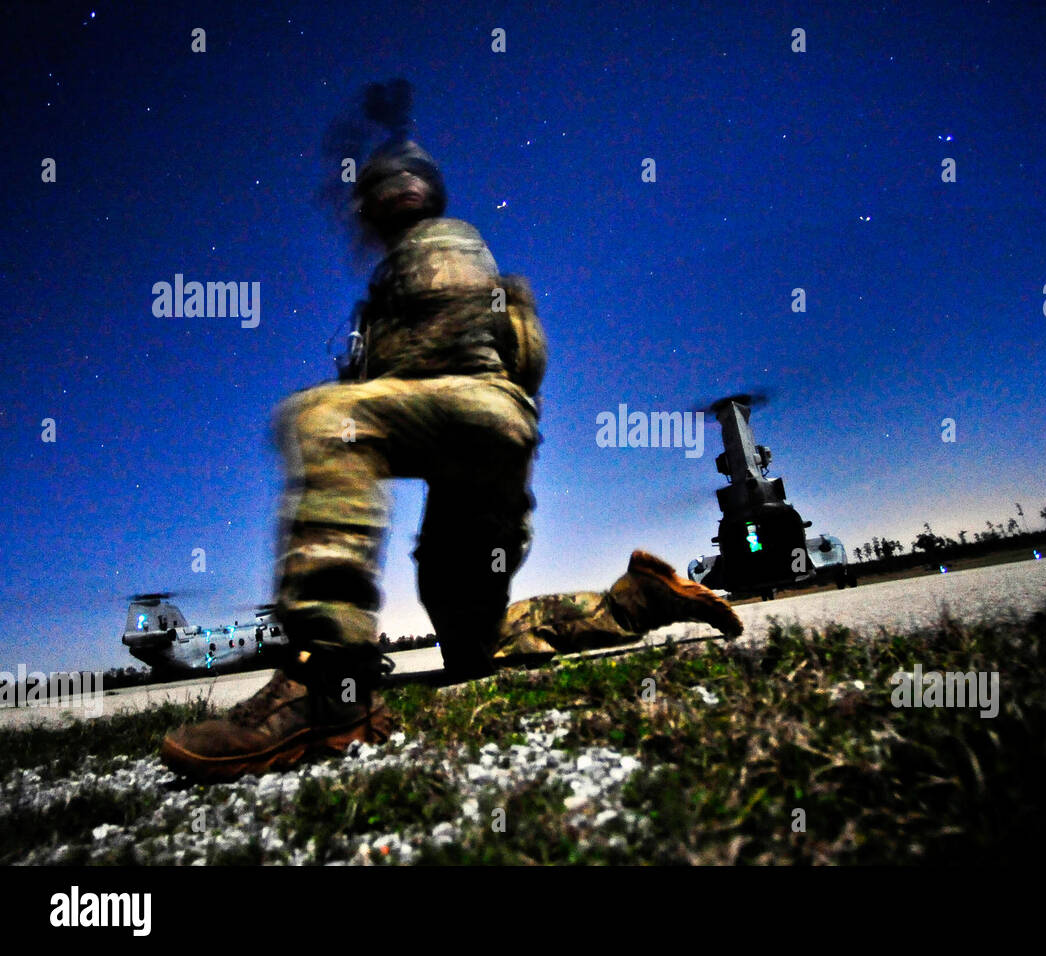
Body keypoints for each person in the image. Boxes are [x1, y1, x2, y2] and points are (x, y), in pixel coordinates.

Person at [160, 139, 741, 783]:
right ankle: (638, 601)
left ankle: (325, 679)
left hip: (480, 415)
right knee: (472, 643)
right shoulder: (453, 269)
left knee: (324, 421)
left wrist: (372, 372)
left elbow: (433, 365)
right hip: (491, 453)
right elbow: (517, 363)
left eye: (383, 195)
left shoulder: (440, 248)